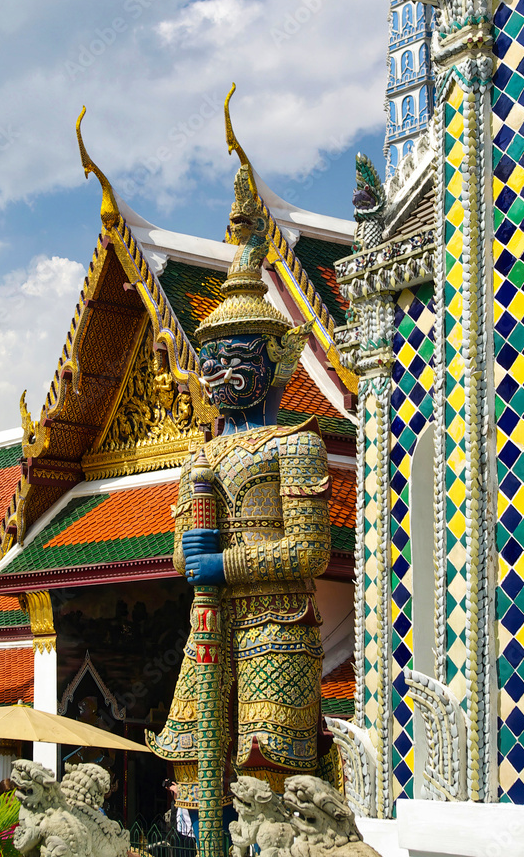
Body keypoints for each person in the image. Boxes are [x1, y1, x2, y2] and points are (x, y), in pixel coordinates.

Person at [148, 164, 335, 829]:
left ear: (277, 360)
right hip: (210, 624)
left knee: (269, 773)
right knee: (190, 769)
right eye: (211, 360)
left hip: (277, 624)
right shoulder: (199, 458)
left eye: (237, 357)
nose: (219, 373)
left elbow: (310, 551)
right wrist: (193, 560)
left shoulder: (297, 445)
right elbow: (181, 556)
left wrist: (222, 565)